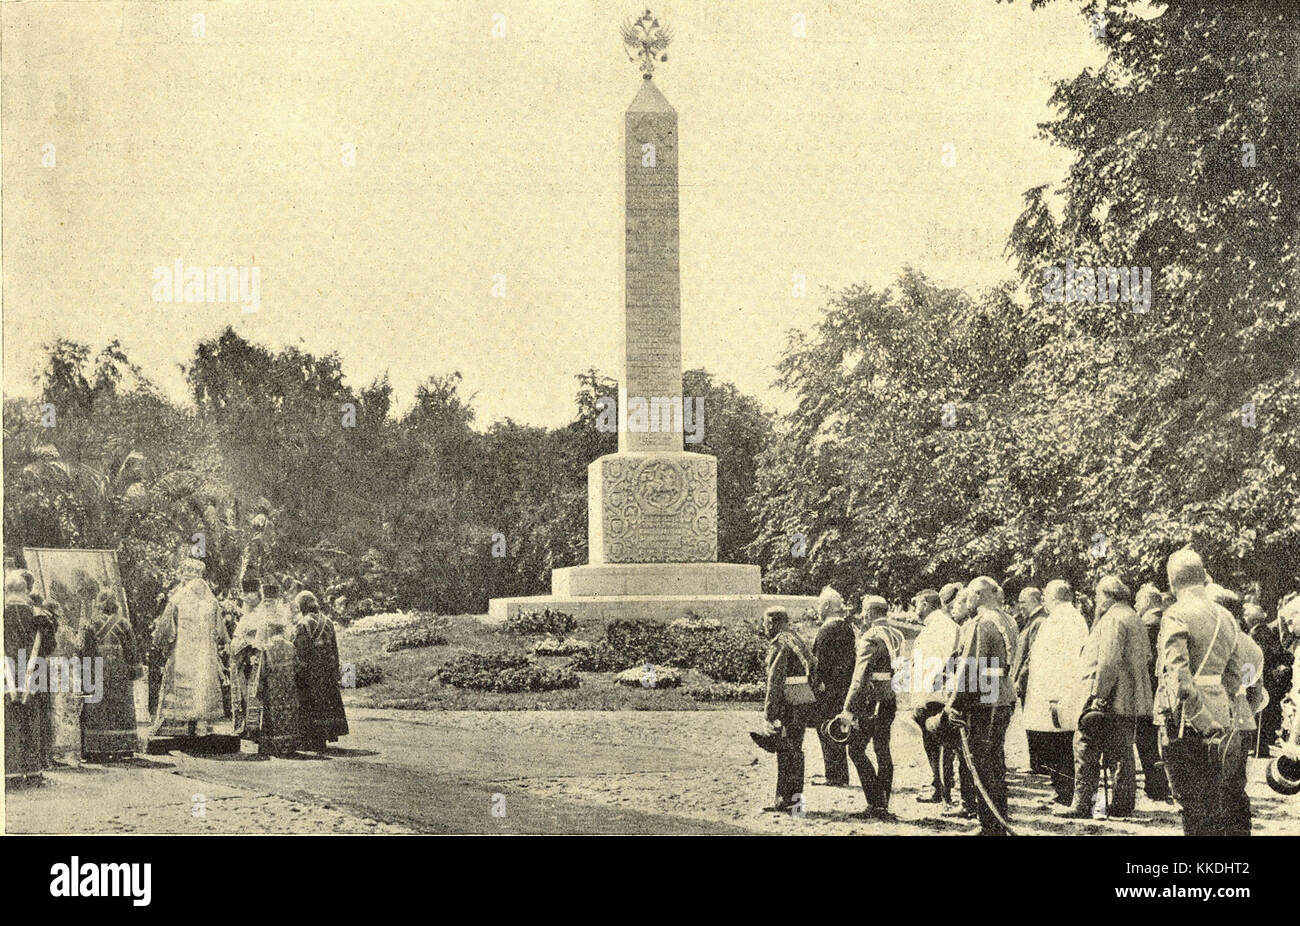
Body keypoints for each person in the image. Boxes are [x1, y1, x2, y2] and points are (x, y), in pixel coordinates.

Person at [1155, 548, 1252, 836]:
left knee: (1193, 807)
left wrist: (1201, 720)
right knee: (1216, 799)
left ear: (1173, 582)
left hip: (1187, 722)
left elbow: (1179, 678)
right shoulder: (1226, 616)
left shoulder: (1176, 614)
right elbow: (1235, 676)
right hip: (1222, 717)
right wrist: (1222, 716)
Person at [1057, 576, 1152, 818]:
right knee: (1121, 752)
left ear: (1108, 595)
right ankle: (1122, 805)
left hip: (1109, 696)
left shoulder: (1113, 618)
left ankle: (1081, 804)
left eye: (1099, 596)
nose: (1097, 601)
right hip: (1128, 698)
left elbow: (1108, 661)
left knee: (1085, 747)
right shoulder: (1133, 617)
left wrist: (1098, 696)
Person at [942, 576, 1018, 835]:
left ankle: (990, 825)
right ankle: (997, 819)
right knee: (996, 761)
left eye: (971, 595)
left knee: (982, 762)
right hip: (1004, 695)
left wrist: (954, 703)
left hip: (987, 699)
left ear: (978, 595)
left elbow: (969, 668)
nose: (969, 600)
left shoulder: (981, 623)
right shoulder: (1008, 620)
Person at [833, 599, 902, 818]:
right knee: (883, 749)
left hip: (871, 701)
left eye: (864, 612)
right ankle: (883, 804)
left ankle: (875, 802)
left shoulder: (871, 637)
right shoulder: (896, 635)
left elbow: (859, 677)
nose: (862, 616)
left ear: (871, 613)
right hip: (890, 697)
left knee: (855, 749)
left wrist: (847, 710)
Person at [1021, 579, 1088, 805]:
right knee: (1057, 745)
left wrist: (1056, 696)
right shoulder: (1066, 618)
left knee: (1060, 746)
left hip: (1058, 695)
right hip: (1055, 693)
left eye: (1046, 598)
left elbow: (1063, 662)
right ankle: (1061, 791)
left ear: (1053, 598)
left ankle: (1065, 793)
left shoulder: (1064, 620)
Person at [151, 559, 228, 738]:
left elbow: (164, 631)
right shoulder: (212, 602)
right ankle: (201, 727)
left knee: (180, 688)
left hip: (182, 655)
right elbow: (221, 633)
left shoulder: (177, 599)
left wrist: (164, 646)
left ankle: (177, 727)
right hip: (204, 657)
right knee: (201, 689)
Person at [758, 606, 815, 813]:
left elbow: (775, 682)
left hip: (787, 704)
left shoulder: (779, 643)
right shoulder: (795, 638)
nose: (764, 629)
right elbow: (813, 665)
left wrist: (769, 715)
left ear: (773, 623)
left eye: (765, 624)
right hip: (802, 700)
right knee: (795, 752)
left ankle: (784, 801)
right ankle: (795, 801)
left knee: (785, 753)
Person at [80, 591, 142, 760]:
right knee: (120, 707)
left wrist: (84, 673)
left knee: (98, 707)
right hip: (119, 670)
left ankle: (97, 748)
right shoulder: (124, 624)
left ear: (99, 604)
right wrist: (134, 670)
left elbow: (85, 651)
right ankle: (122, 747)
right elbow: (132, 651)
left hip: (97, 669)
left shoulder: (91, 624)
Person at [910, 588, 958, 804]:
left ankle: (940, 788)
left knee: (934, 743)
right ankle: (943, 786)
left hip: (933, 696)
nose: (915, 609)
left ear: (925, 605)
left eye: (917, 605)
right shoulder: (951, 626)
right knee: (946, 745)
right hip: (945, 694)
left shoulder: (933, 630)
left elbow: (931, 668)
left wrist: (921, 699)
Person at [4, 573, 52, 783]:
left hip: (4, 671)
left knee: (8, 721)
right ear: (25, 591)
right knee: (32, 719)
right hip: (33, 671)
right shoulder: (39, 616)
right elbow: (49, 646)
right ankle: (32, 772)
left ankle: (10, 772)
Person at [292, 592, 348, 752]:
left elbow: (300, 649)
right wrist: (336, 670)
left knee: (310, 703)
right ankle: (323, 737)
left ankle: (312, 739)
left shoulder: (303, 624)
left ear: (302, 607)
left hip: (311, 671)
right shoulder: (328, 622)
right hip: (327, 670)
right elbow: (335, 649)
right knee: (326, 703)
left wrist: (298, 669)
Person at [811, 587, 856, 787]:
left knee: (827, 729)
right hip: (843, 687)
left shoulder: (827, 629)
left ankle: (835, 775)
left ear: (828, 606)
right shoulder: (846, 628)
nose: (817, 609)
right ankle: (838, 773)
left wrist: (816, 683)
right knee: (837, 728)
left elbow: (819, 662)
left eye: (820, 604)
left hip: (828, 689)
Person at [1132, 584, 1172, 801]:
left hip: (1149, 690)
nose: (1136, 605)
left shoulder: (1147, 624)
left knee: (1146, 739)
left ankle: (1156, 785)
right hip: (1163, 689)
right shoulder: (1165, 620)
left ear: (1146, 602)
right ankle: (1161, 783)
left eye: (1138, 601)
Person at [248, 610, 303, 756]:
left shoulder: (267, 648)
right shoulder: (291, 646)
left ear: (270, 630)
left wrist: (258, 690)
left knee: (272, 716)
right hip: (289, 688)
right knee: (287, 715)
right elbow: (297, 667)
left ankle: (272, 746)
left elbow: (262, 672)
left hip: (273, 689)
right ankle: (288, 746)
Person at [1011, 586, 1048, 773]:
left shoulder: (1039, 621)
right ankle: (1037, 762)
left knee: (1034, 721)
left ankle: (1038, 764)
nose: (1020, 606)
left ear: (1034, 601)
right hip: (1027, 680)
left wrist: (1020, 679)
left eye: (1023, 602)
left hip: (1031, 681)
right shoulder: (1032, 621)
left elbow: (1031, 655)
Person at [1247, 602, 1291, 758]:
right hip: (1268, 679)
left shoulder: (1256, 634)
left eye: (1247, 615)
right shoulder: (1267, 632)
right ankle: (1260, 745)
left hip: (1263, 678)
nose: (1244, 618)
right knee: (1264, 712)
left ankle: (1258, 745)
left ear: (1254, 619)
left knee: (1260, 712)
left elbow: (1260, 657)